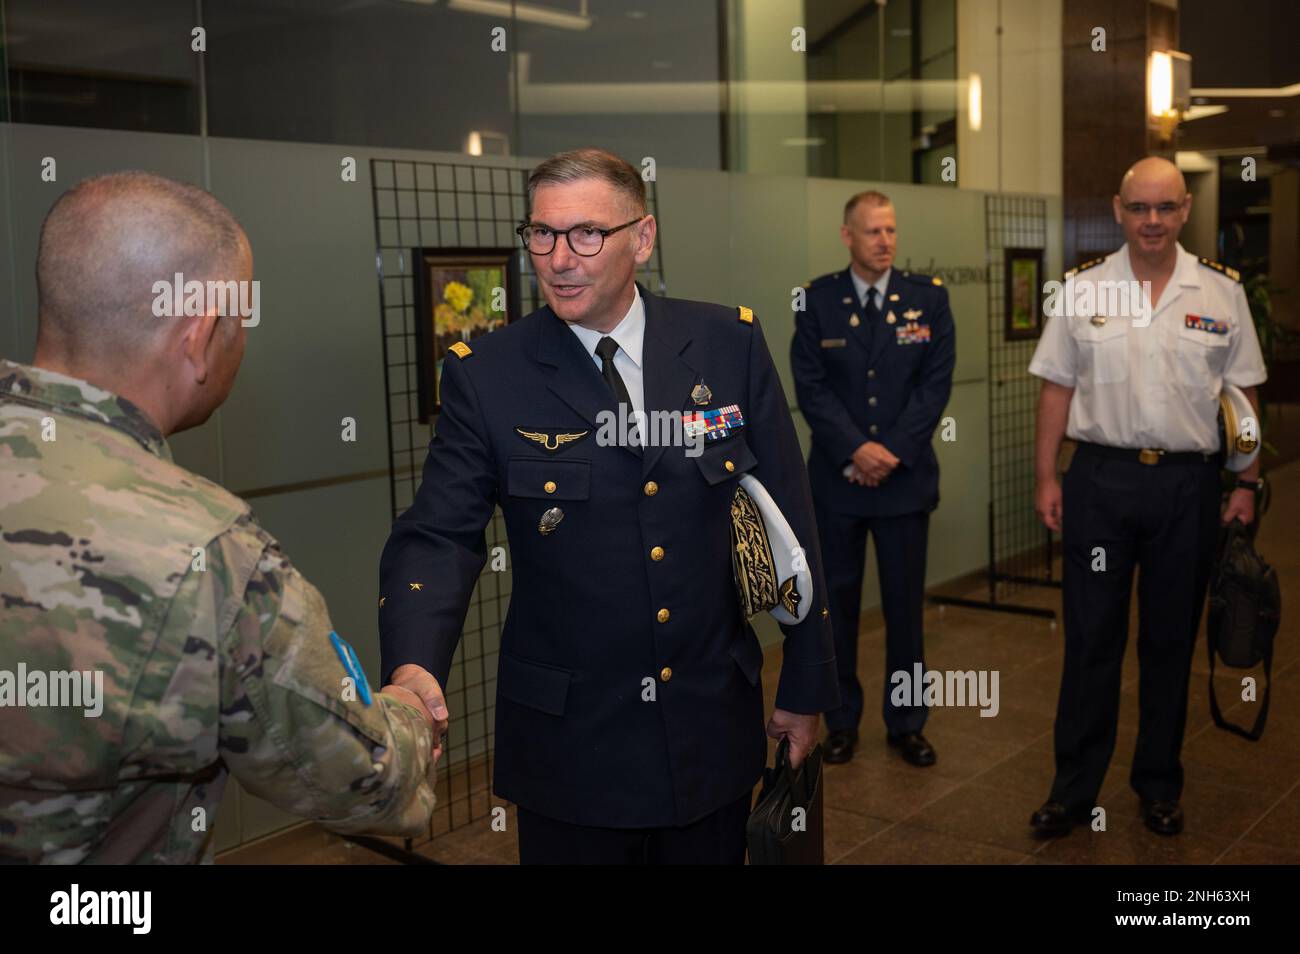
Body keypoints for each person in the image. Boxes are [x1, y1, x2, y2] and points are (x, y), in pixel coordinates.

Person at [378, 147, 838, 865]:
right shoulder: (489, 375)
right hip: (571, 749)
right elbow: (439, 536)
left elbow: (791, 526)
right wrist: (413, 665)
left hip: (708, 730)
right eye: (543, 234)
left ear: (643, 238)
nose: (560, 258)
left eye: (587, 234)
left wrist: (807, 682)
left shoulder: (727, 346)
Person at [0, 171, 436, 864]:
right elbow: (365, 784)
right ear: (199, 337)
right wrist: (412, 709)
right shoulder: (210, 556)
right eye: (240, 321)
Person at [1028, 156, 1267, 837]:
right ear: (1118, 209)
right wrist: (1047, 476)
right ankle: (1073, 791)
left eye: (1165, 208)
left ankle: (1159, 783)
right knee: (1091, 642)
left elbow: (1243, 394)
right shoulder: (1082, 291)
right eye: (1140, 208)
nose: (1153, 221)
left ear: (1186, 210)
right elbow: (1056, 388)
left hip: (1187, 487)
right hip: (1101, 482)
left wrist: (1246, 482)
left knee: (1169, 642)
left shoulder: (1221, 292)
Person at [790, 191, 956, 767]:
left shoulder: (926, 299)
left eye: (891, 231)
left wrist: (891, 452)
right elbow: (810, 387)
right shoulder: (816, 300)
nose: (884, 241)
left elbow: (935, 386)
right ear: (847, 236)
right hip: (838, 485)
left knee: (905, 609)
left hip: (904, 484)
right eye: (872, 232)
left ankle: (907, 722)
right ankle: (841, 722)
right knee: (835, 607)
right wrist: (857, 450)